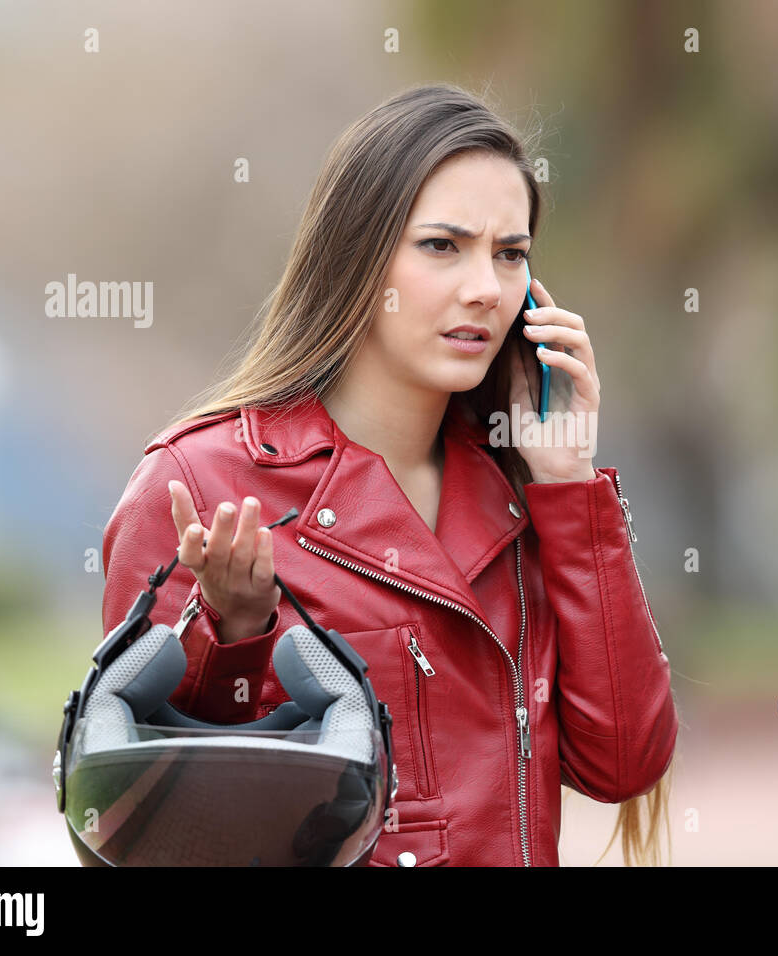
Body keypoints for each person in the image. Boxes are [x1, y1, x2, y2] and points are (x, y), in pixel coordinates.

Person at [101, 82, 678, 867]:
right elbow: (137, 822)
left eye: (510, 254)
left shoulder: (525, 492)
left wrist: (570, 487)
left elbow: (624, 761)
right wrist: (233, 637)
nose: (485, 287)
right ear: (361, 258)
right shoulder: (200, 484)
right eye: (443, 246)